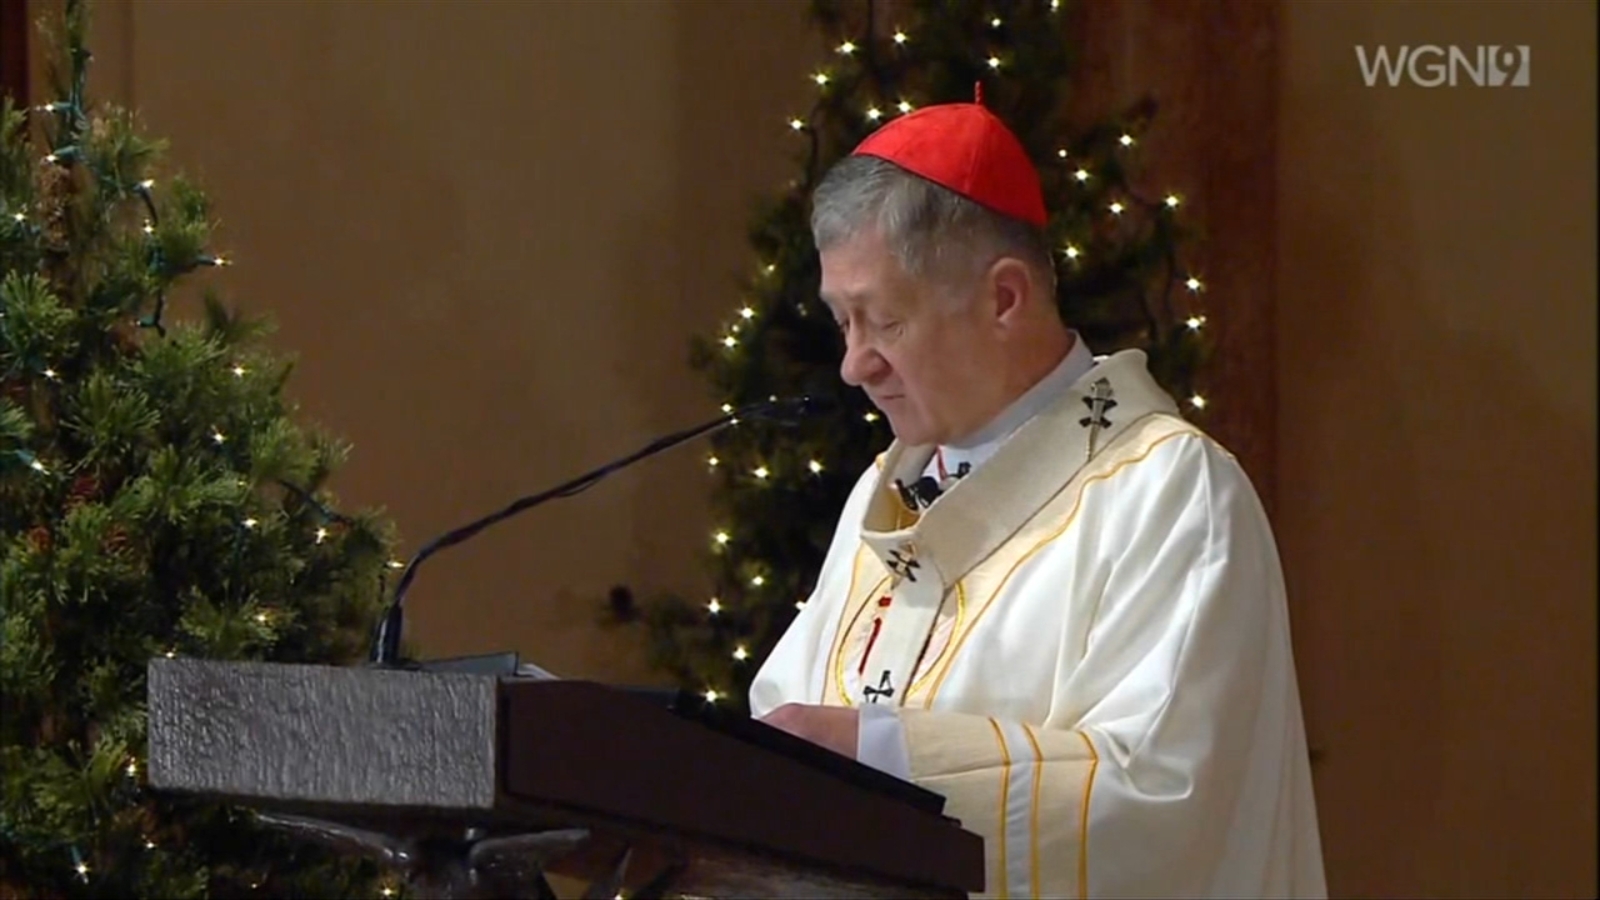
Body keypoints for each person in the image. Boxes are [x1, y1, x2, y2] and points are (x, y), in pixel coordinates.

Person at [747, 97, 1327, 899]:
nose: (854, 365)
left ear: (1005, 299)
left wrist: (879, 756)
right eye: (843, 323)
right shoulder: (881, 499)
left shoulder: (1169, 493)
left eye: (881, 320)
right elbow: (779, 730)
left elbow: (1162, 802)